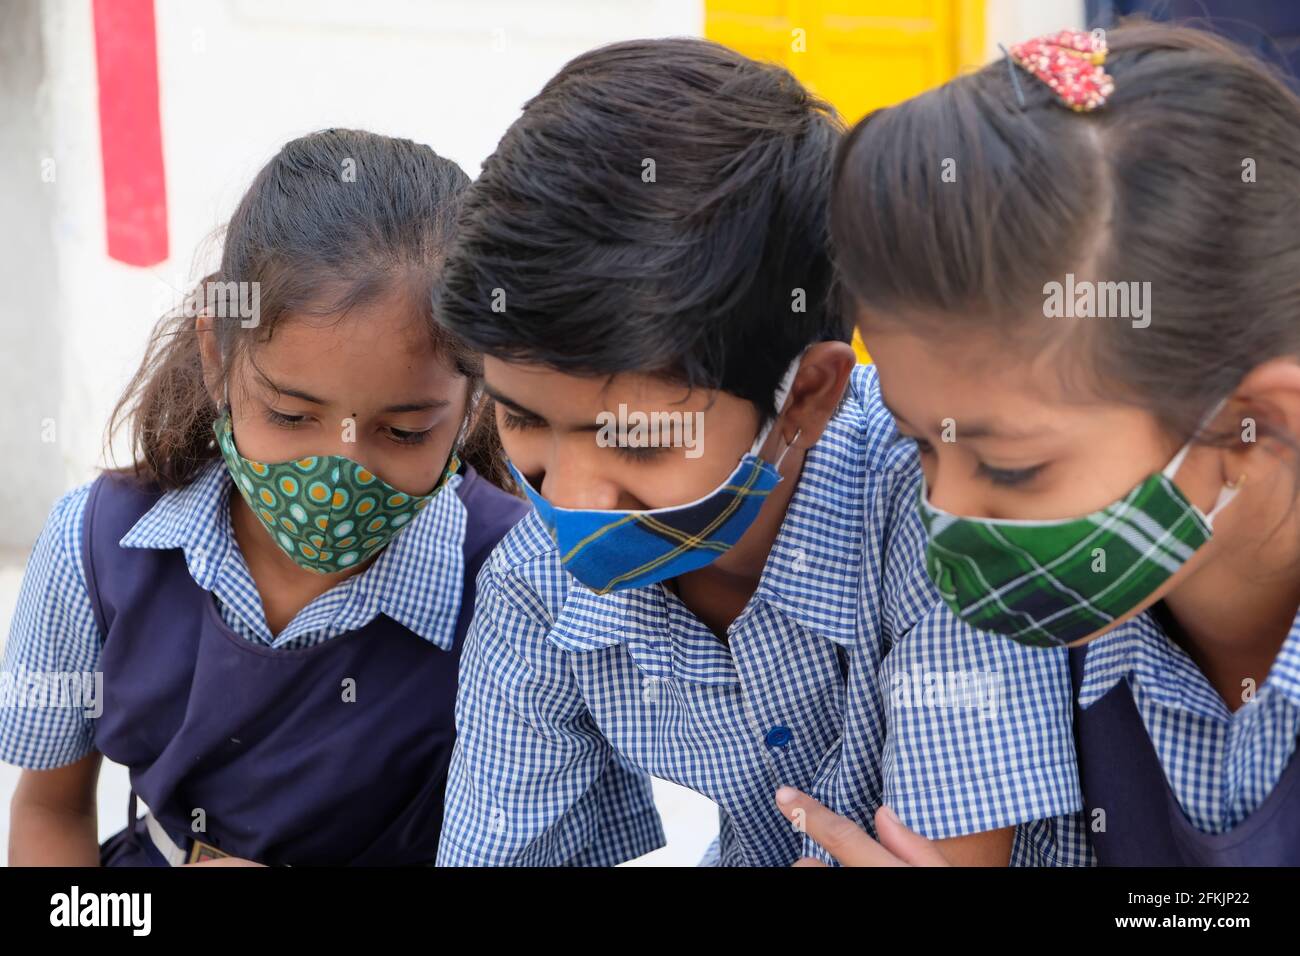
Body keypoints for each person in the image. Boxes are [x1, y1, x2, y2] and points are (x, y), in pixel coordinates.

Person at [434, 39, 1088, 867]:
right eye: (524, 421)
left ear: (805, 396)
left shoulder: (943, 510)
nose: (573, 495)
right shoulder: (535, 594)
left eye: (637, 438)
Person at [813, 22, 1300, 864]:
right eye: (921, 446)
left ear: (1261, 419)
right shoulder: (1043, 617)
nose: (945, 521)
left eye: (1012, 467)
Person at [1, 129, 527, 866]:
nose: (337, 479)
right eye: (290, 415)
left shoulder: (519, 587)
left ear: (476, 400)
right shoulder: (96, 547)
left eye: (404, 432)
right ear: (218, 356)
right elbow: (50, 809)